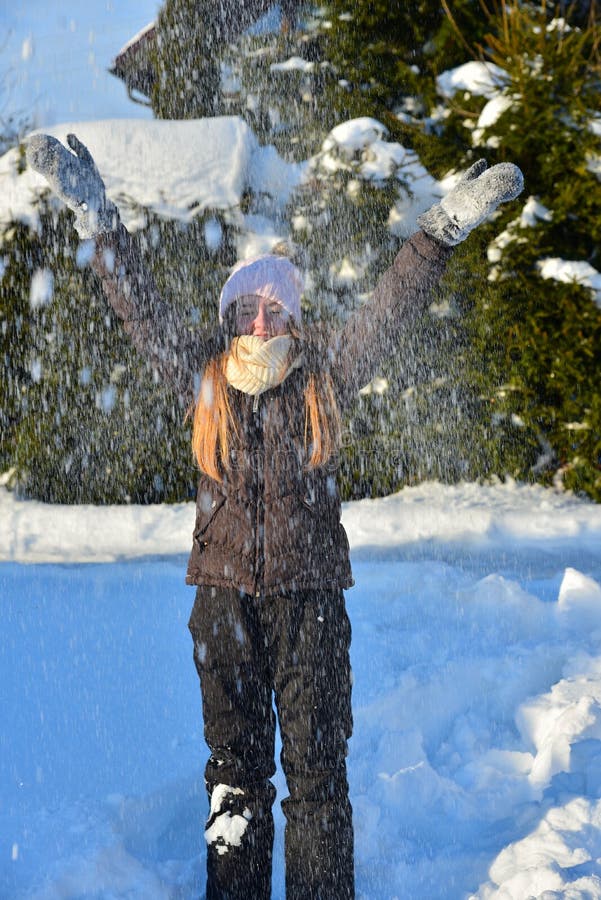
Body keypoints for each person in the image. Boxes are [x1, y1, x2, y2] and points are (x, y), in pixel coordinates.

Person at [26, 132, 523, 899]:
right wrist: (100, 220)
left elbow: (389, 310)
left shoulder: (324, 380)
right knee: (234, 777)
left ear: (294, 320)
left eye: (276, 308)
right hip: (221, 606)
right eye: (247, 308)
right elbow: (140, 308)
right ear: (229, 319)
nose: (261, 322)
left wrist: (438, 232)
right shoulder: (202, 379)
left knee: (317, 778)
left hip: (311, 605)